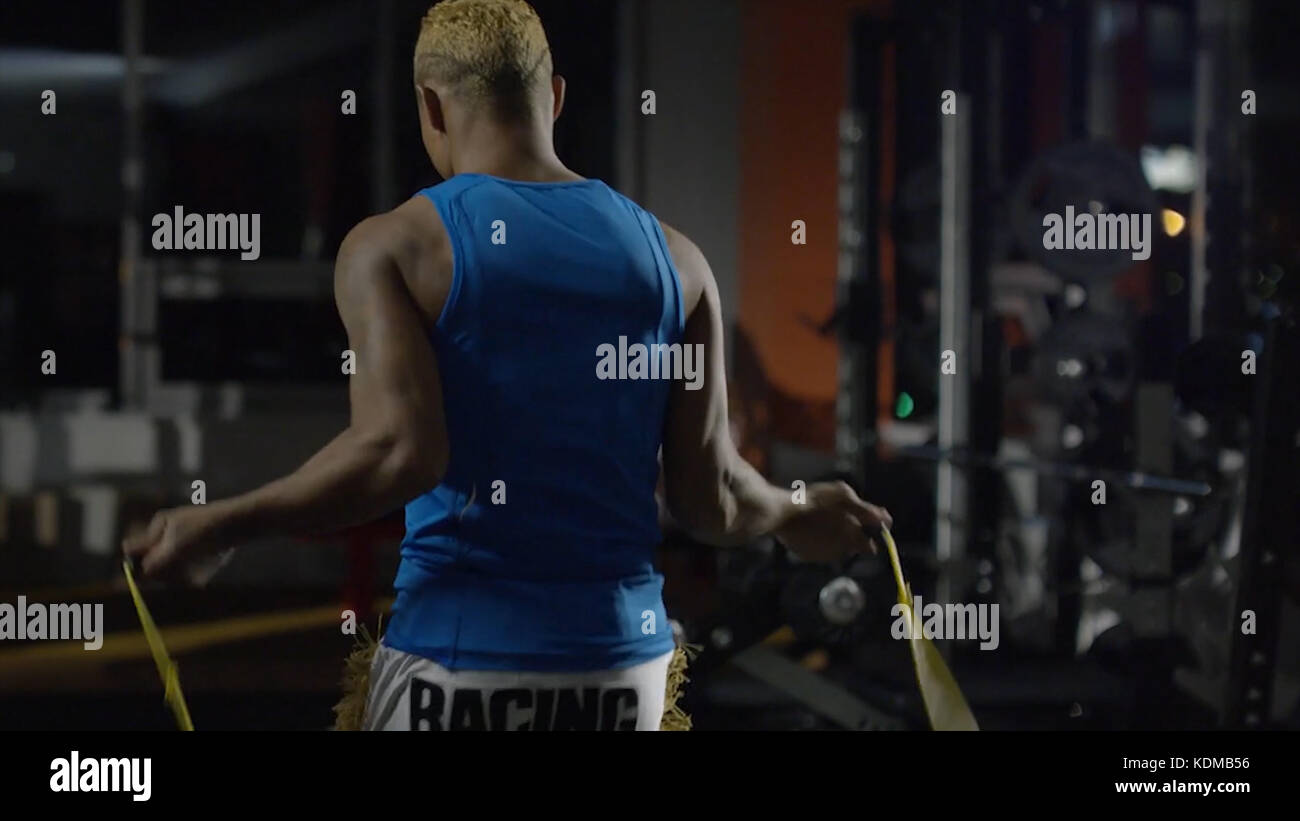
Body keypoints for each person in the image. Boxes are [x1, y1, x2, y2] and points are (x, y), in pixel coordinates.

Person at [123, 0, 891, 731]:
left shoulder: (395, 246)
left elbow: (399, 452)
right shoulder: (678, 261)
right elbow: (713, 496)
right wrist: (793, 509)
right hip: (623, 672)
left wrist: (223, 522)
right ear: (553, 97)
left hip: (459, 667)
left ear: (431, 106)